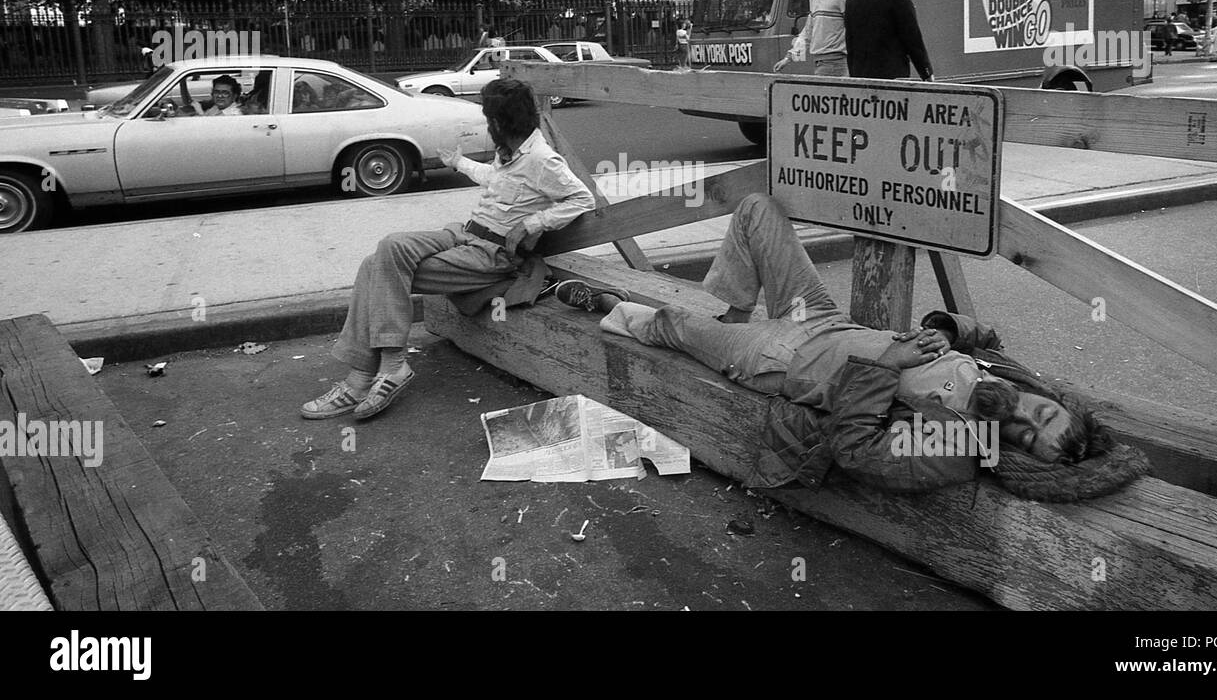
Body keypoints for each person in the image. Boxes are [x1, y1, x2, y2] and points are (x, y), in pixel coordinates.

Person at [555, 194, 1147, 501]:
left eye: (1021, 437)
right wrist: (947, 330)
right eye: (1038, 412)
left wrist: (885, 367)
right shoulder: (1015, 380)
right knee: (759, 210)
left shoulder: (956, 446)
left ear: (1013, 456)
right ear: (1050, 398)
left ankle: (613, 307)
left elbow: (856, 448)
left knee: (675, 326)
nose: (1016, 414)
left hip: (782, 360)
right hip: (827, 319)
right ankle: (728, 315)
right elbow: (983, 337)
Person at [301, 78, 596, 421]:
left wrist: (534, 223)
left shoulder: (543, 160)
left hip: (490, 254)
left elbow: (582, 198)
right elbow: (494, 179)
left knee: (374, 266)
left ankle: (365, 376)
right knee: (389, 247)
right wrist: (459, 162)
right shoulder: (513, 152)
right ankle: (381, 369)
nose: (488, 126)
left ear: (499, 123)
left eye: (488, 120)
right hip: (463, 235)